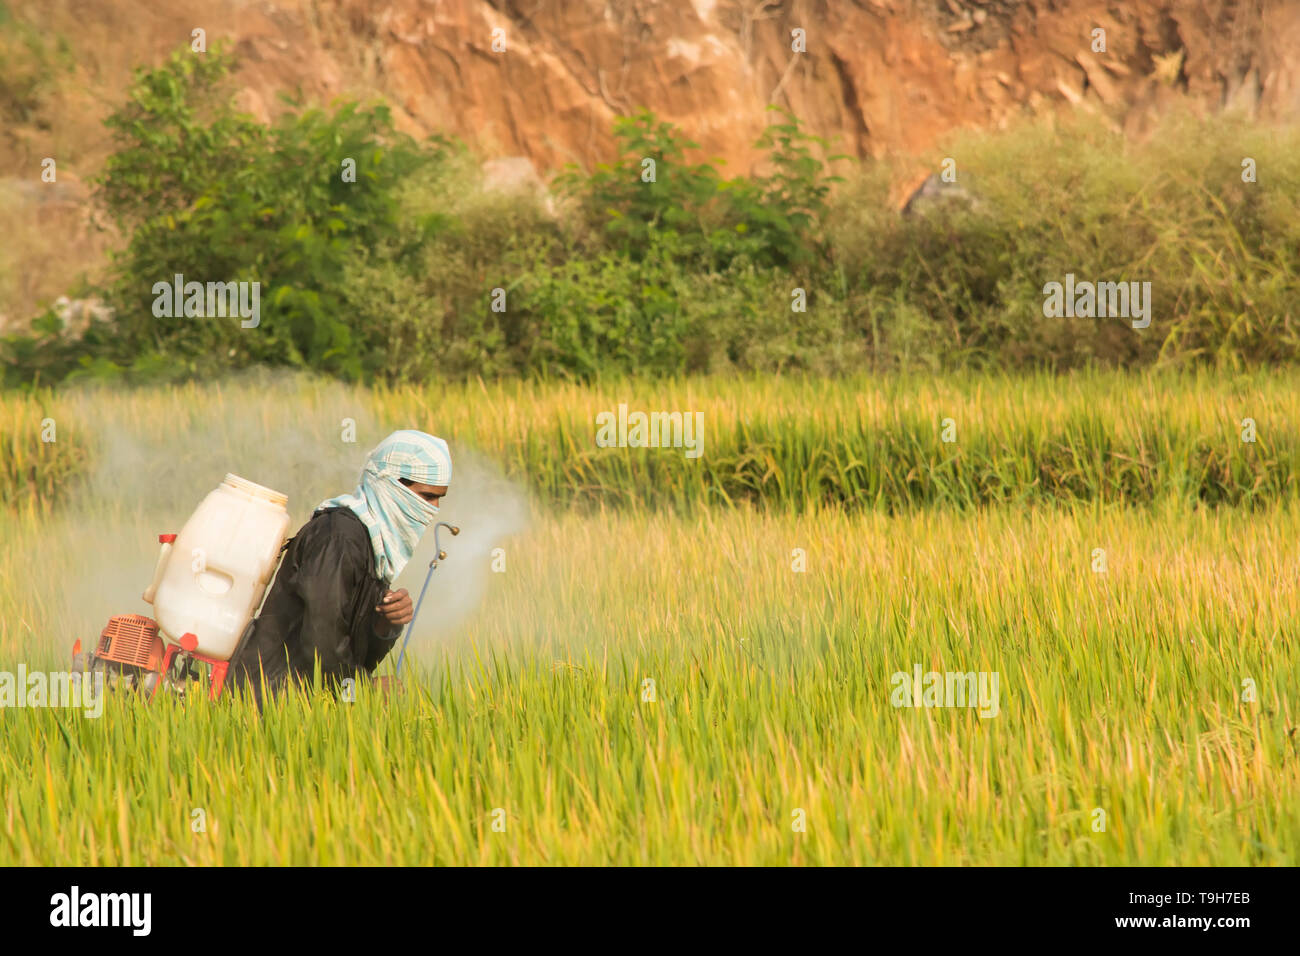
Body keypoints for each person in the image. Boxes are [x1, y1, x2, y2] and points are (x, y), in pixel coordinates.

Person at [230, 430, 452, 701]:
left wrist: (385, 623)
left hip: (306, 701)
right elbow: (322, 635)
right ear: (392, 486)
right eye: (427, 497)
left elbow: (360, 655)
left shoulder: (374, 547)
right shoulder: (339, 537)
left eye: (439, 498)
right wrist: (362, 689)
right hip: (268, 697)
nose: (434, 509)